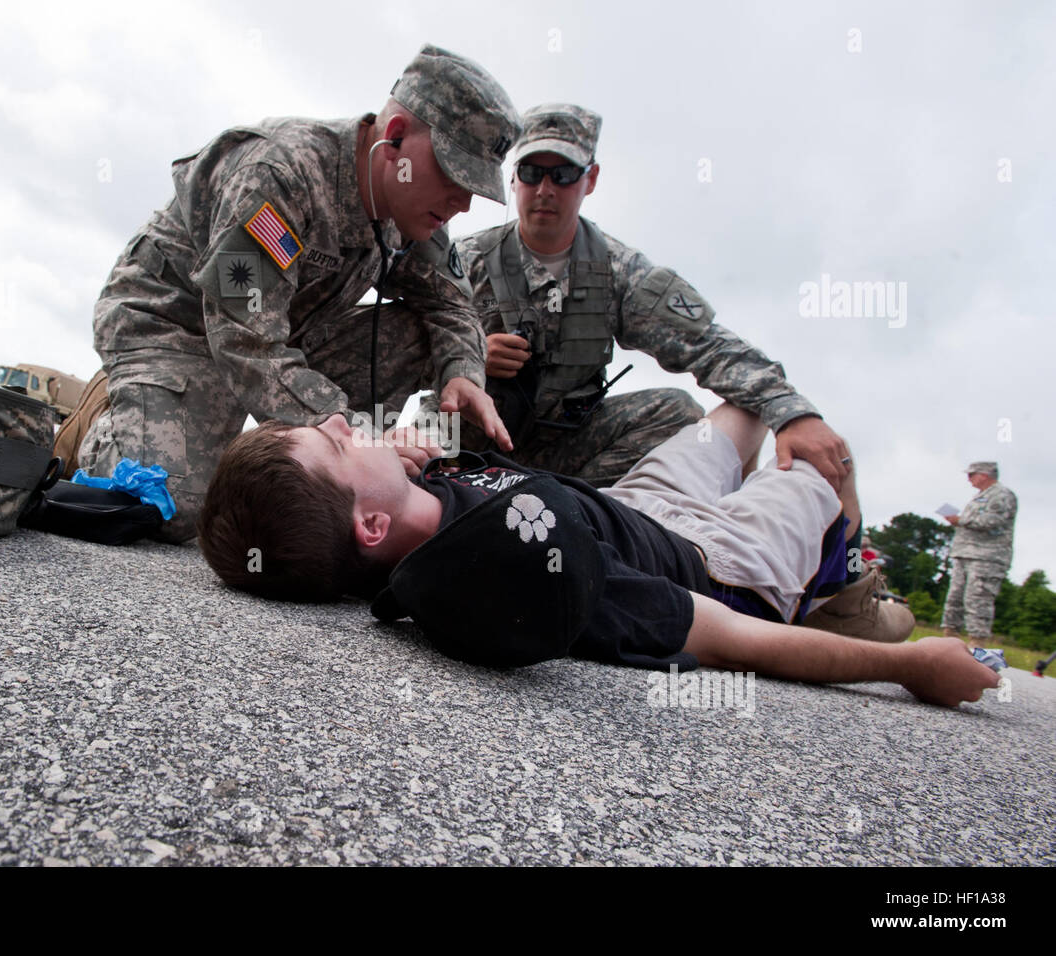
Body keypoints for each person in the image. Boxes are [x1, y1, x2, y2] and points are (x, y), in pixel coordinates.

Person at [196, 406, 999, 708]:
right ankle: (844, 581)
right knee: (820, 463)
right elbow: (733, 639)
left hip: (634, 503)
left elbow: (385, 486)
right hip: (713, 564)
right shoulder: (513, 573)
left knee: (755, 412)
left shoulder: (405, 500)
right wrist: (912, 669)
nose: (341, 415)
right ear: (370, 529)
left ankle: (828, 566)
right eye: (335, 440)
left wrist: (411, 461)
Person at [74, 45, 521, 542]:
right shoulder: (282, 175)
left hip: (285, 337)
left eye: (474, 188)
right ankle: (116, 408)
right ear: (394, 137)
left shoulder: (412, 208)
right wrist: (364, 438)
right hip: (181, 327)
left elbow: (451, 303)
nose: (462, 202)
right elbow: (244, 341)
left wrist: (464, 373)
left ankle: (369, 468)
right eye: (453, 174)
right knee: (168, 504)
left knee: (419, 331)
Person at [418, 104, 851, 491]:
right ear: (513, 178)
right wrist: (468, 357)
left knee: (677, 412)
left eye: (564, 174)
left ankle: (584, 513)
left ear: (591, 179)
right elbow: (396, 348)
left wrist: (792, 413)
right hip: (466, 443)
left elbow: (710, 346)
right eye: (532, 172)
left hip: (567, 456)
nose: (545, 189)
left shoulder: (619, 272)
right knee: (416, 440)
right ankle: (454, 491)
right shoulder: (466, 258)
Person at [941, 461, 1018, 648]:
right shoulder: (979, 497)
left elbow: (995, 520)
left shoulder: (1002, 495)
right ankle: (949, 642)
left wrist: (962, 519)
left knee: (977, 600)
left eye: (971, 475)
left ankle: (977, 646)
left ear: (984, 474)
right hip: (965, 554)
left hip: (987, 557)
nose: (969, 479)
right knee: (955, 598)